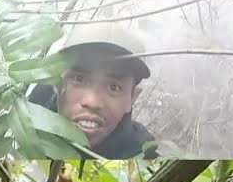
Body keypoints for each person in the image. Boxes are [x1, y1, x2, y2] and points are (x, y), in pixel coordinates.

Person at [28, 23, 158, 160]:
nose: (92, 102)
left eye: (114, 87)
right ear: (55, 81)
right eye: (79, 79)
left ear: (132, 98)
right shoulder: (32, 111)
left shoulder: (141, 155)